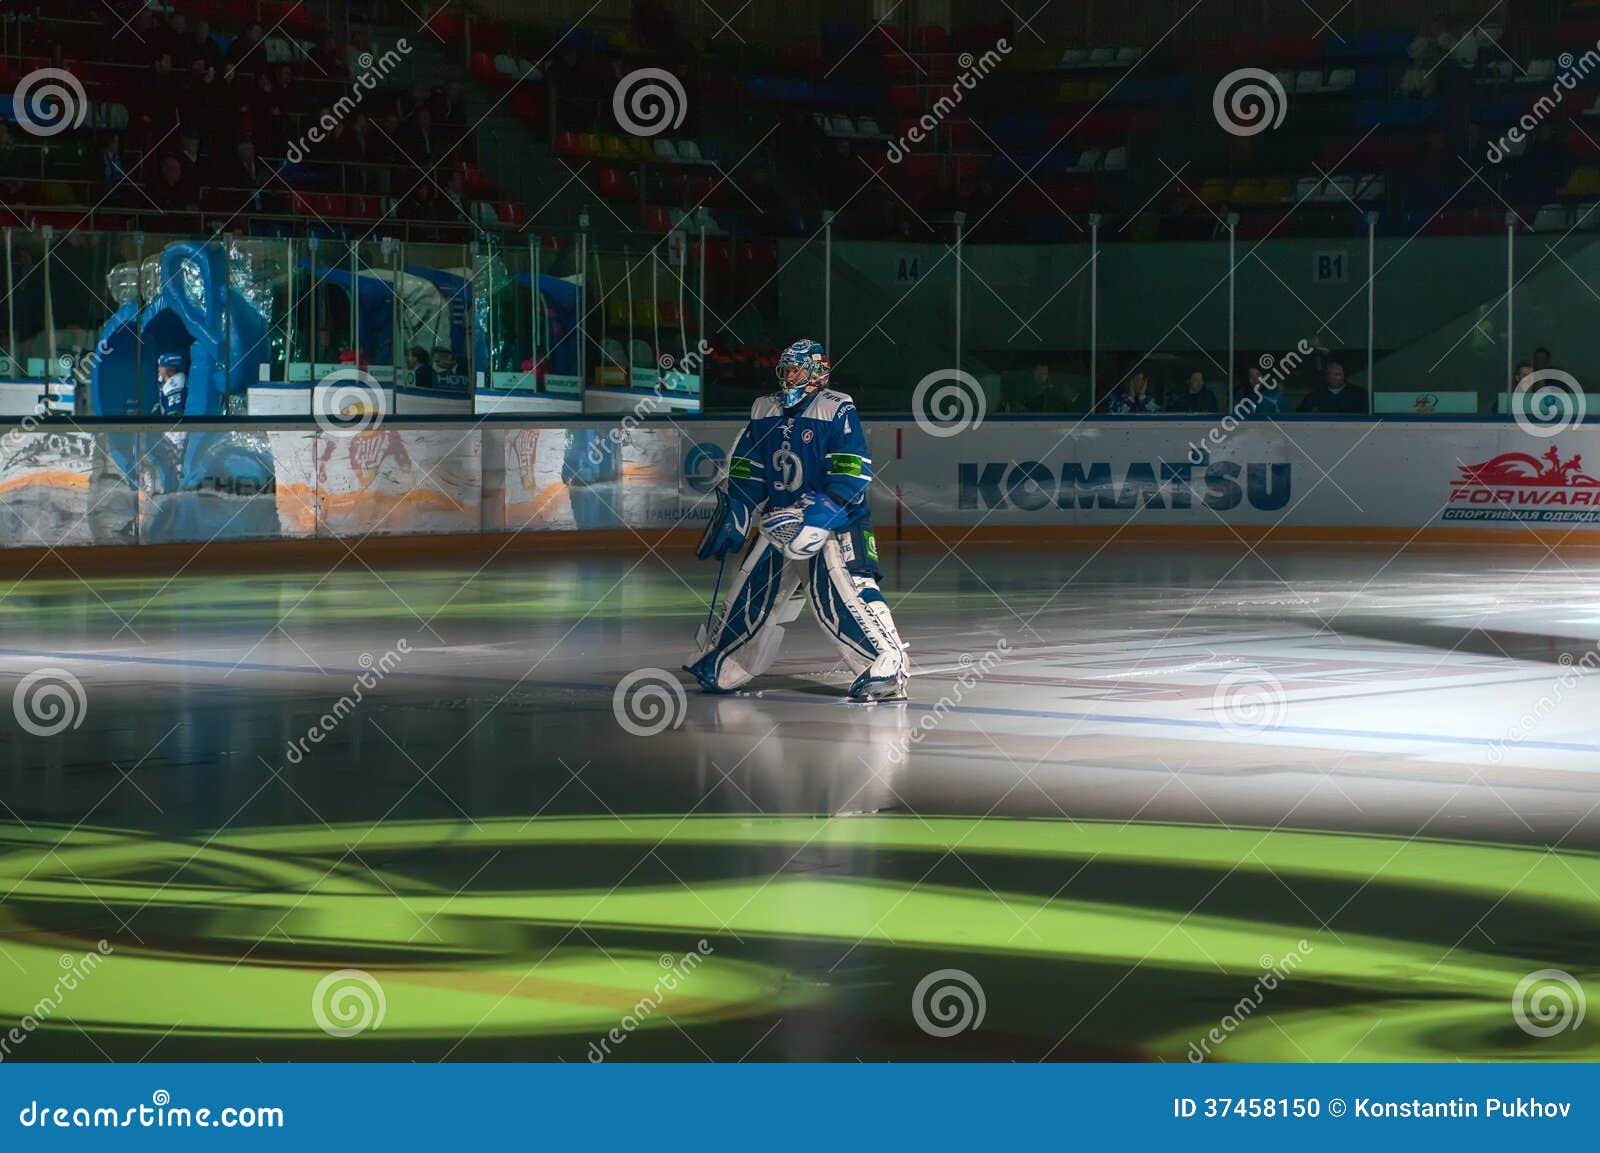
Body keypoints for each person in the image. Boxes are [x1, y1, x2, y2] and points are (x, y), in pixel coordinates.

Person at [685, 338, 908, 702]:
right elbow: (748, 467)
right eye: (786, 368)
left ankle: (886, 662)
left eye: (797, 369)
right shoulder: (763, 410)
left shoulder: (837, 408)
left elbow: (850, 474)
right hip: (778, 521)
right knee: (750, 590)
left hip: (836, 522)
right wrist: (737, 510)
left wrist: (817, 514)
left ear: (818, 372)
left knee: (844, 590)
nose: (789, 376)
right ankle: (726, 660)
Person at [1298, 360, 1367, 414]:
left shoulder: (1359, 395)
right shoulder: (1313, 396)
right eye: (1329, 373)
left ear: (1344, 375)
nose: (1332, 377)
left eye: (1337, 374)